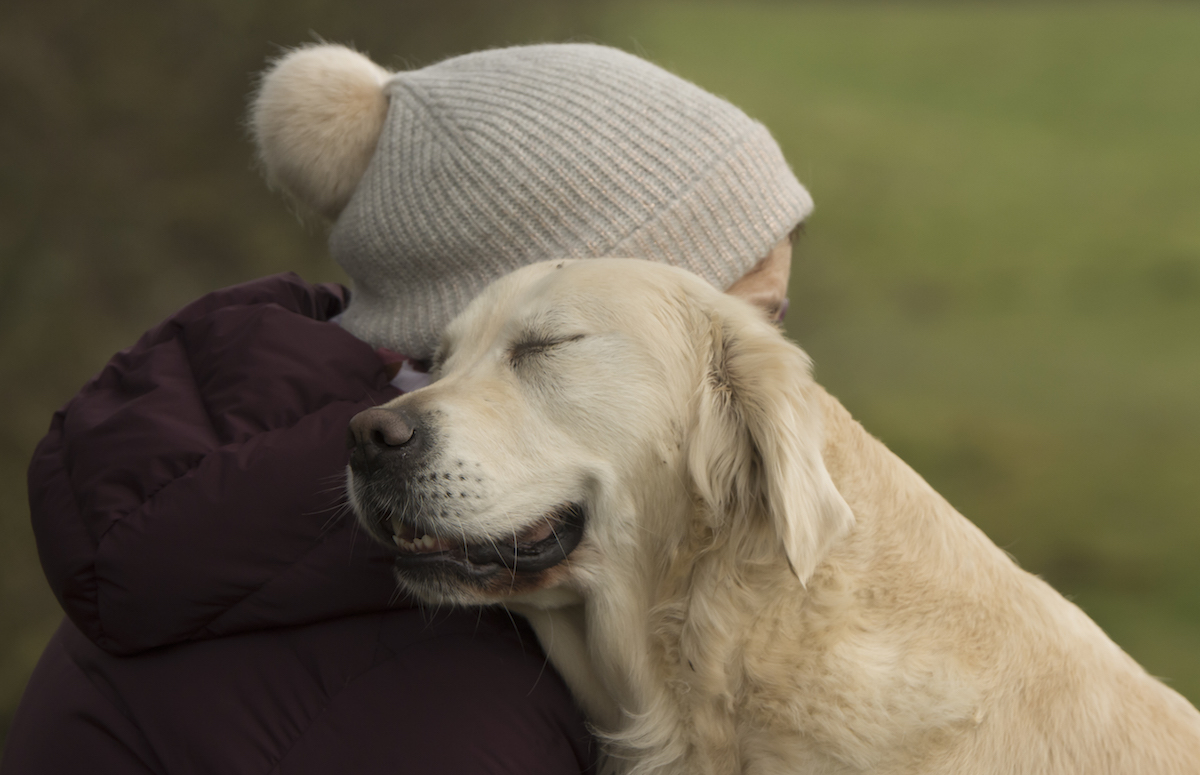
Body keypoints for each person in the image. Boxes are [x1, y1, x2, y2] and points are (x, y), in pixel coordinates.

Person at [1, 42, 812, 774]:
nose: (782, 374)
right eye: (754, 320)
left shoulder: (253, 495)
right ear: (540, 315)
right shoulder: (449, 686)